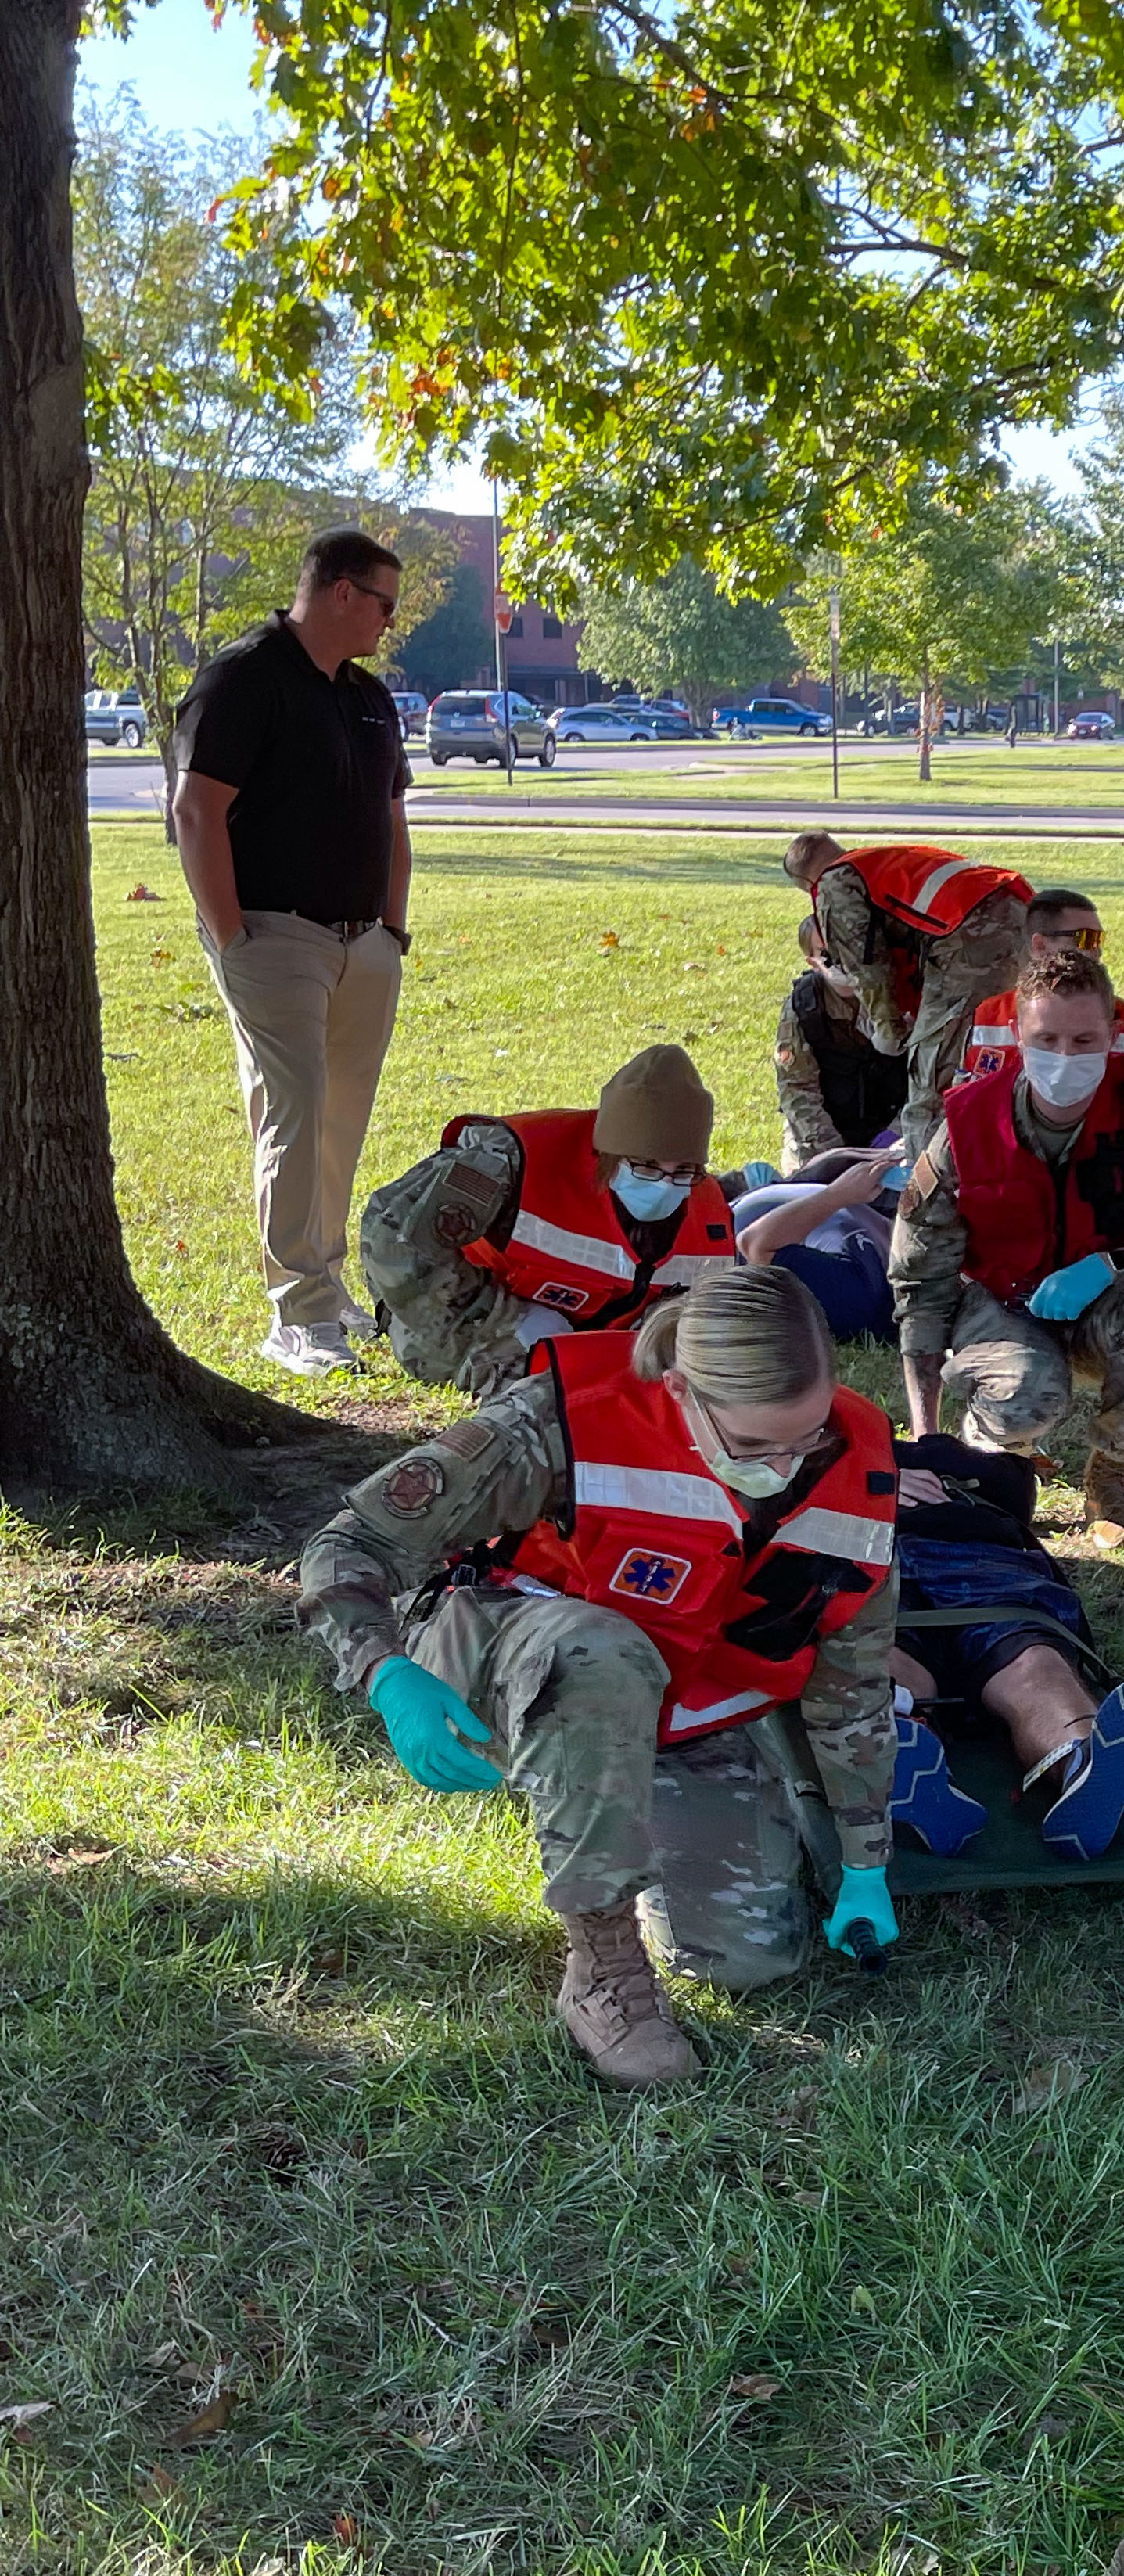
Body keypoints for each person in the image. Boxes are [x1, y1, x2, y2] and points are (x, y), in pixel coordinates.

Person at [296, 1266, 900, 2086]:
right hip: (515, 1647)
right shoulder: (561, 1420)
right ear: (682, 1390)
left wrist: (867, 1859)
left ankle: (619, 1801)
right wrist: (386, 1671)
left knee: (746, 1954)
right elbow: (350, 1541)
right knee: (598, 1650)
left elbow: (852, 1674)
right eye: (755, 1445)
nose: (787, 1466)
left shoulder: (858, 1462)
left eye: (809, 1435)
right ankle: (603, 1964)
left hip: (681, 1695)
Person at [888, 946, 1124, 1545]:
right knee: (1027, 1394)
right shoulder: (969, 1124)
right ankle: (998, 1447)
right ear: (1019, 1036)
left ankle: (1111, 1475)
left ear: (1112, 1034)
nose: (1064, 1057)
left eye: (1084, 1041)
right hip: (1000, 1302)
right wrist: (927, 1440)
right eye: (1046, 1039)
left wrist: (1112, 1266)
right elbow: (919, 1280)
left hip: (1107, 1296)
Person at [171, 528, 414, 1376]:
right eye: (385, 602)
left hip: (365, 944)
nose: (391, 619)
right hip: (275, 936)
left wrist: (391, 927)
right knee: (295, 1107)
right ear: (342, 592)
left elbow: (392, 819)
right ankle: (296, 1315)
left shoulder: (369, 696)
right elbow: (196, 811)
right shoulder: (243, 678)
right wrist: (233, 935)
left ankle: (327, 1284)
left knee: (340, 1117)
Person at [359, 1045, 738, 1398]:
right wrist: (506, 1320)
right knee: (545, 1399)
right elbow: (394, 1238)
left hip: (600, 1346)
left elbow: (695, 1313)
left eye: (684, 1170)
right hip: (461, 1320)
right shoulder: (509, 1160)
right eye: (647, 1166)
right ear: (607, 1155)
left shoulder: (708, 1213)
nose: (666, 1185)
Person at [881, 1436, 1124, 1859]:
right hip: (966, 1562)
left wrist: (865, 1477)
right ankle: (1078, 1755)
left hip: (907, 1553)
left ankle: (895, 1743)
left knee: (895, 1659)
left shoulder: (838, 1445)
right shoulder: (985, 1465)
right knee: (1030, 1664)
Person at [781, 832, 1032, 1152]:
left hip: (970, 940)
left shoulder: (835, 880)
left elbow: (866, 963)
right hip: (1013, 914)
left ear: (806, 882)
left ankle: (923, 1185)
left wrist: (888, 1030)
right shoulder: (878, 865)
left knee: (930, 1086)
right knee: (984, 1054)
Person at [957, 887, 1124, 1081]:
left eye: (1099, 940)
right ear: (1040, 945)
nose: (1097, 951)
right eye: (1085, 939)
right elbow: (963, 1105)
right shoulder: (987, 1018)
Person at [729, 1148, 905, 1346]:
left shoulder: (862, 1297)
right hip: (788, 1189)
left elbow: (754, 1245)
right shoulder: (898, 1243)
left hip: (720, 1225)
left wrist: (838, 1194)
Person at [774, 914, 910, 1168]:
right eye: (828, 953)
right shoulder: (804, 1008)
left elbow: (928, 1077)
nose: (843, 961)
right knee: (808, 1188)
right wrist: (831, 1154)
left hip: (895, 1124)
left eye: (848, 949)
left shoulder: (901, 995)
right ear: (813, 963)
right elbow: (797, 1090)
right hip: (821, 1128)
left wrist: (898, 1134)